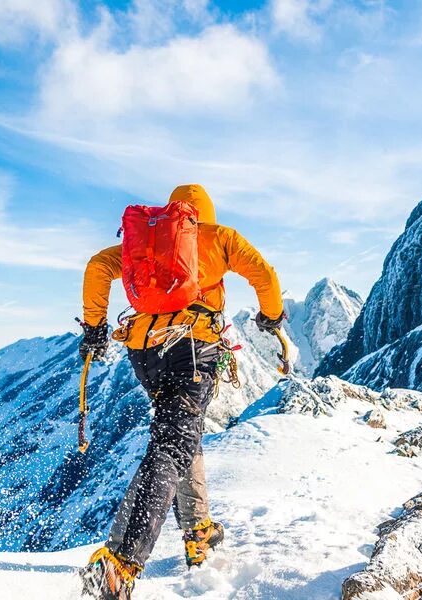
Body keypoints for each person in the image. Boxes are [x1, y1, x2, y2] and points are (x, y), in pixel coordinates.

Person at [78, 184, 284, 599]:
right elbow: (264, 273)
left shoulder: (148, 247)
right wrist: (271, 315)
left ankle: (198, 531)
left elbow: (96, 268)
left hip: (145, 353)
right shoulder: (219, 237)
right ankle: (120, 560)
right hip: (192, 349)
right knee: (173, 444)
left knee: (181, 435)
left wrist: (96, 327)